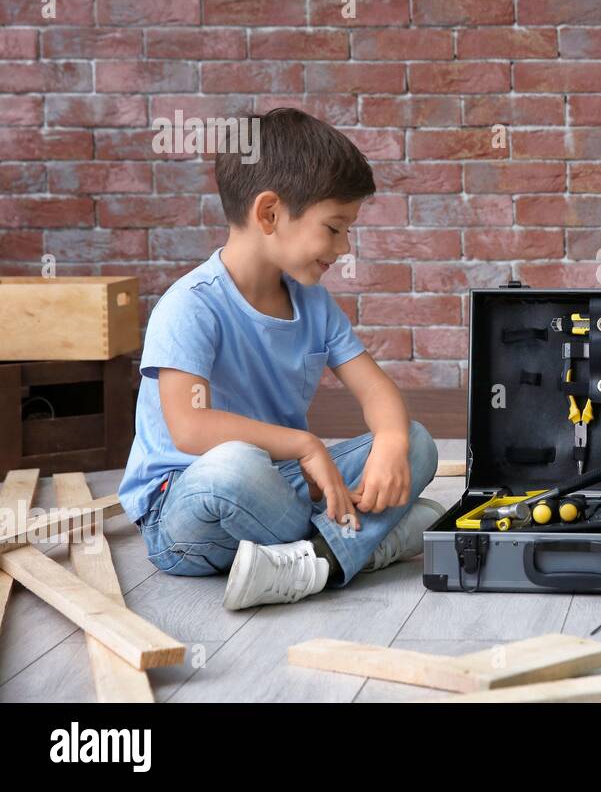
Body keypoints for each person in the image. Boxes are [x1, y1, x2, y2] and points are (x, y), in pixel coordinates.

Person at [120, 107, 442, 611]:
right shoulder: (190, 304)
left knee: (418, 443)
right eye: (335, 228)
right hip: (188, 507)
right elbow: (188, 426)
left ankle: (311, 562)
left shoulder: (312, 302)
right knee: (236, 466)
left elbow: (376, 392)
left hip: (284, 486)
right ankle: (358, 548)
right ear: (269, 214)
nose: (344, 246)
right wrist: (305, 445)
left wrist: (393, 440)